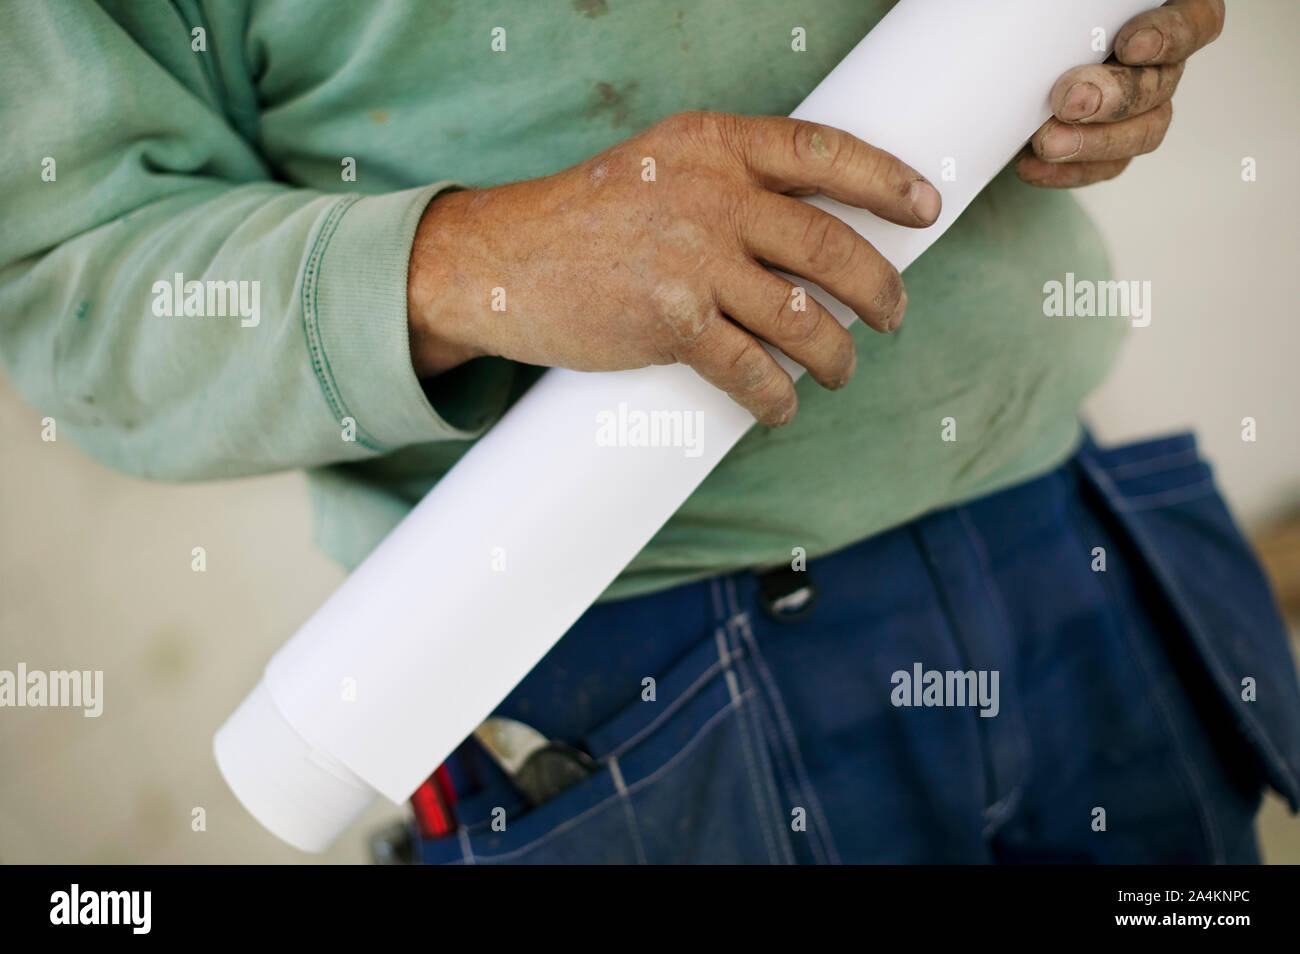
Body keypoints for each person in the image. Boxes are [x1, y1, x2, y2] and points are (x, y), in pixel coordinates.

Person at [5, 0, 1295, 863]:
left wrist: (1102, 54)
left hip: (1061, 535)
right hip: (618, 681)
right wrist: (481, 256)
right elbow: (67, 284)